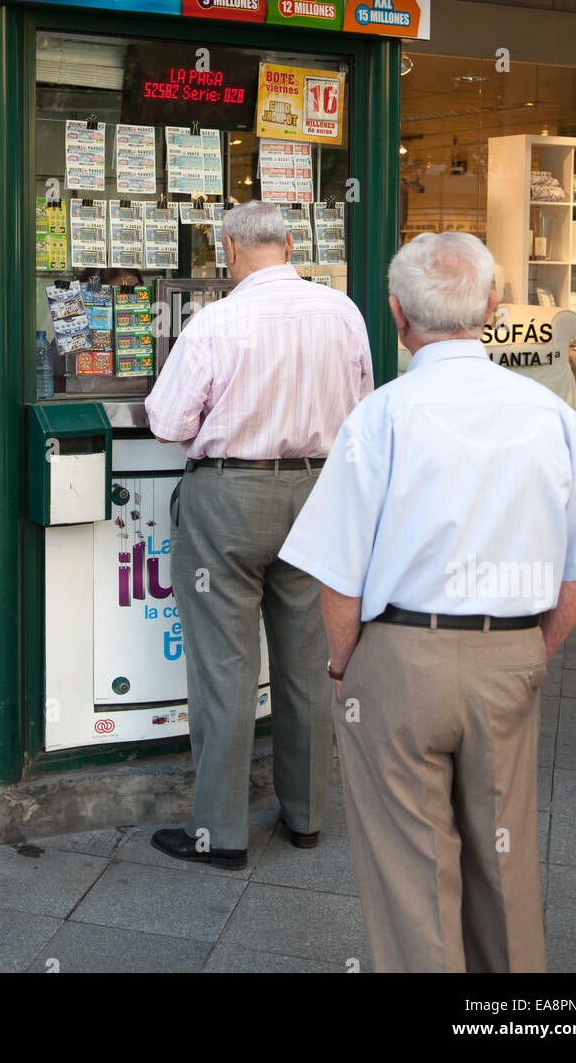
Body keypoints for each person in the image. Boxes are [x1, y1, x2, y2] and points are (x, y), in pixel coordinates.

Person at [280, 231, 576, 972]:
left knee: (411, 869)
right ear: (492, 308)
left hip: (399, 657)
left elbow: (338, 572)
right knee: (506, 855)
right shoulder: (550, 415)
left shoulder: (382, 415)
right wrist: (533, 649)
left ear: (397, 315)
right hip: (510, 653)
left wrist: (345, 666)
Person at [145, 201, 373, 869]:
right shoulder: (343, 312)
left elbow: (167, 420)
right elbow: (361, 408)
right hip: (318, 491)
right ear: (291, 244)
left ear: (230, 251)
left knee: (225, 667)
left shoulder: (216, 319)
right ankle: (306, 818)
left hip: (230, 498)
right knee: (307, 660)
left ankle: (220, 833)